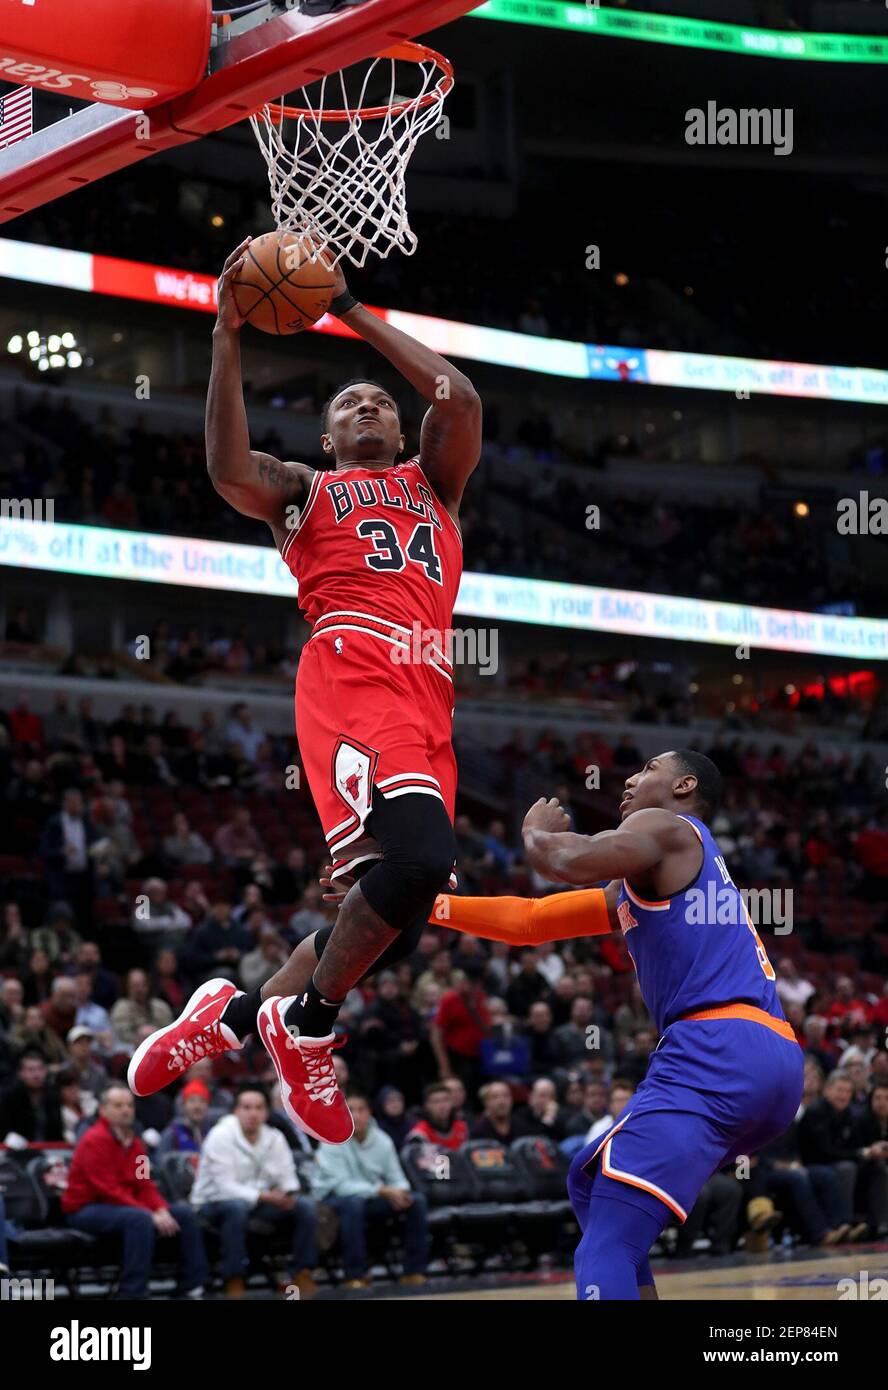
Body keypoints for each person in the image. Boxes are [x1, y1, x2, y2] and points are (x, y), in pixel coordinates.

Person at [127, 242, 482, 1148]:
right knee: (419, 863)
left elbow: (462, 400)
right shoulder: (304, 491)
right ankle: (308, 1025)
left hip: (428, 693)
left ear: (400, 434)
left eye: (378, 403)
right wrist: (225, 334)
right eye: (346, 404)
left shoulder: (433, 485)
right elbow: (226, 465)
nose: (367, 404)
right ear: (327, 439)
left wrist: (349, 307)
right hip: (354, 675)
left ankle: (236, 1016)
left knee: (397, 925)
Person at [420, 749, 804, 1300]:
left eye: (648, 769)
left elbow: (562, 861)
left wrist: (535, 832)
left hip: (717, 1047)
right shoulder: (655, 873)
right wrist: (432, 908)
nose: (630, 778)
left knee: (605, 1244)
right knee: (591, 1182)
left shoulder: (666, 827)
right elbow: (531, 922)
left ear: (684, 785)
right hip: (771, 1061)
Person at [62, 1083, 207, 1299]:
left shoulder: (136, 1143)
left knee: (183, 1214)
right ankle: (133, 1291)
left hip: (122, 1206)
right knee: (139, 1219)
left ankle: (192, 1284)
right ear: (103, 1110)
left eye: (129, 1105)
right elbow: (107, 1189)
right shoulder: (93, 1141)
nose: (125, 1110)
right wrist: (150, 1213)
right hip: (85, 1209)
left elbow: (144, 1183)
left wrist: (160, 1208)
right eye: (118, 1105)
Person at [191, 1087, 319, 1298]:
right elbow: (225, 1187)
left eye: (259, 1108)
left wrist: (286, 1194)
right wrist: (265, 1196)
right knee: (236, 1207)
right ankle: (234, 1278)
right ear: (235, 1111)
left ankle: (302, 1272)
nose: (253, 1113)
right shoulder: (220, 1136)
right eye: (247, 1107)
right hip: (212, 1204)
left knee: (305, 1206)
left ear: (266, 1113)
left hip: (258, 1204)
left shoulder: (274, 1137)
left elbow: (288, 1177)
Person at [312, 1091, 429, 1288]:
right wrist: (383, 1191)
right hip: (331, 1199)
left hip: (371, 1197)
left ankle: (414, 1271)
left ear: (370, 1113)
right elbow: (342, 1186)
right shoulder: (330, 1139)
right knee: (353, 1202)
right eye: (350, 1110)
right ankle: (355, 1274)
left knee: (416, 1201)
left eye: (361, 1110)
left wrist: (400, 1192)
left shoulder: (382, 1140)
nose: (356, 1115)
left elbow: (398, 1178)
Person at [406, 1081, 469, 1152]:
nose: (442, 1106)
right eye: (436, 1101)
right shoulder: (419, 1135)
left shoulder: (462, 1127)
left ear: (452, 1102)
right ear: (427, 1106)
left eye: (445, 1100)